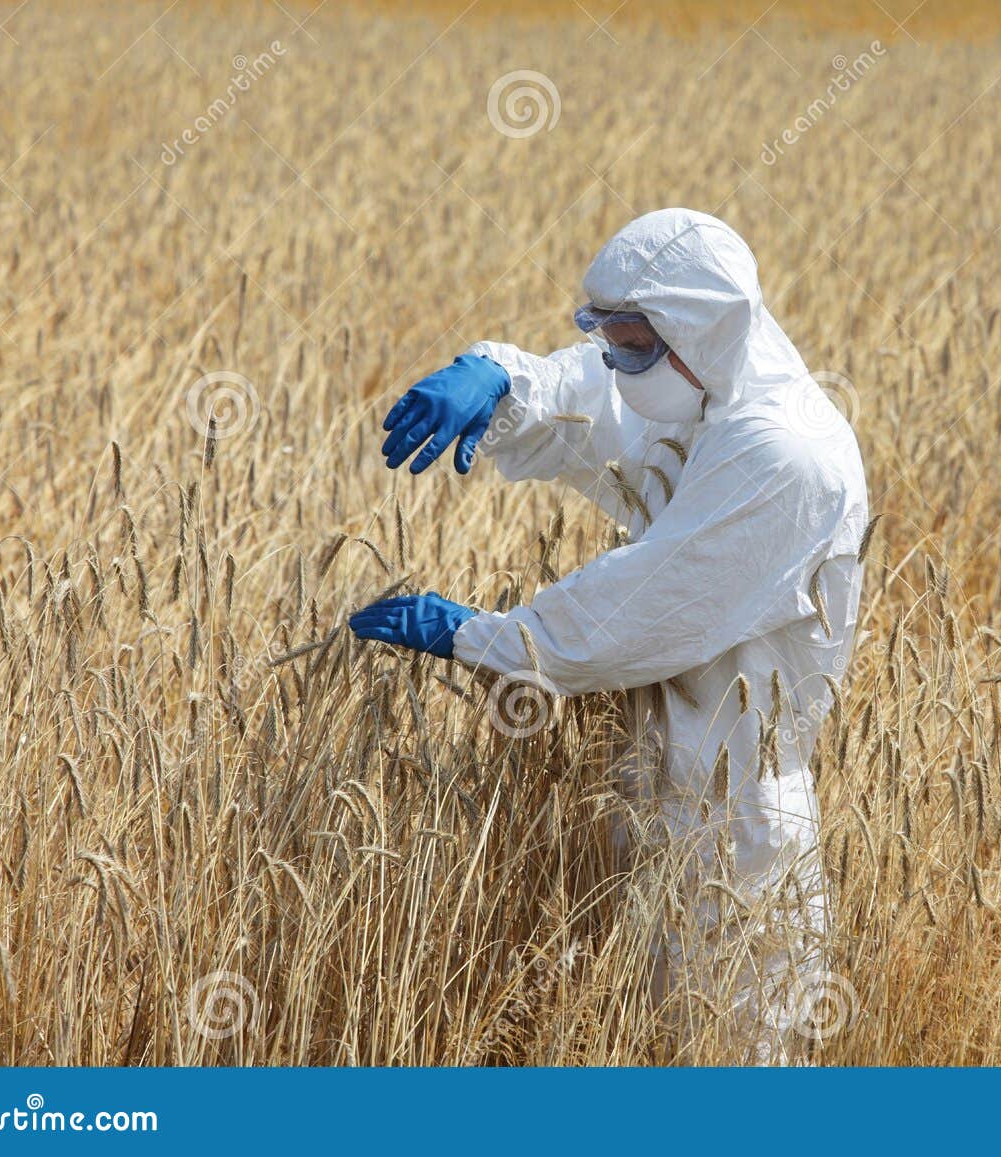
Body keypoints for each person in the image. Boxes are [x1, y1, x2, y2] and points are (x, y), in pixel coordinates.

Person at [349, 208, 868, 1063]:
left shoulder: (786, 456)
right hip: (655, 809)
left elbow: (641, 608)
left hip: (737, 848)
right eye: (610, 339)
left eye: (633, 345)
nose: (617, 363)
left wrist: (485, 637)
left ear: (697, 331)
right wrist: (500, 380)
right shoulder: (702, 389)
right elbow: (595, 398)